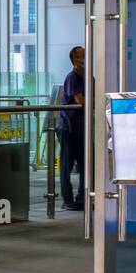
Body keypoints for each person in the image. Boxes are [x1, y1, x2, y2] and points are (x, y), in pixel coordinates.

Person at [57, 47, 86, 211]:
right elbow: (81, 100)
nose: (85, 57)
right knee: (67, 165)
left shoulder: (88, 77)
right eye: (82, 55)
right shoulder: (72, 78)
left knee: (84, 164)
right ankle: (67, 200)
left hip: (82, 127)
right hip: (68, 126)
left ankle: (82, 197)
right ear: (75, 59)